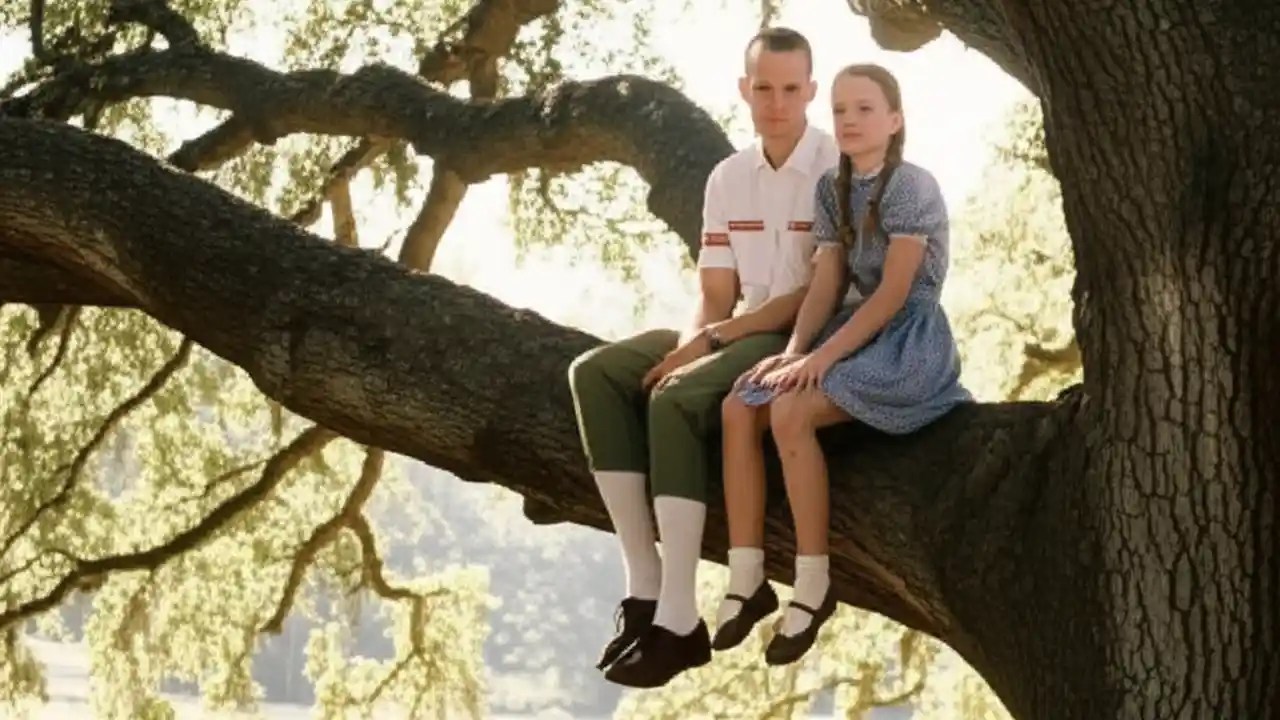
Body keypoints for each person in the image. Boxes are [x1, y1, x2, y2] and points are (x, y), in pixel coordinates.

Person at [566, 27, 839, 689]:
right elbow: (715, 291)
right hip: (734, 328)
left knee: (676, 398)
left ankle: (680, 619)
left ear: (811, 90)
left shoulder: (837, 170)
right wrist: (694, 340)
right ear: (745, 90)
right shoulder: (728, 179)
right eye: (764, 88)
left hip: (800, 336)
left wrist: (707, 348)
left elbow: (815, 293)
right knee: (595, 374)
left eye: (791, 89)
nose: (777, 103)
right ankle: (644, 589)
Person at [709, 63, 973, 665]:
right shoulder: (832, 188)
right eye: (840, 111)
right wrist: (793, 352)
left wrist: (820, 360)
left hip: (906, 340)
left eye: (864, 109)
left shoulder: (913, 186)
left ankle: (813, 582)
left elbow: (892, 295)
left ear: (895, 120)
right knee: (738, 406)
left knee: (790, 412)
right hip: (846, 331)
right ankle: (746, 575)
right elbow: (827, 282)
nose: (849, 120)